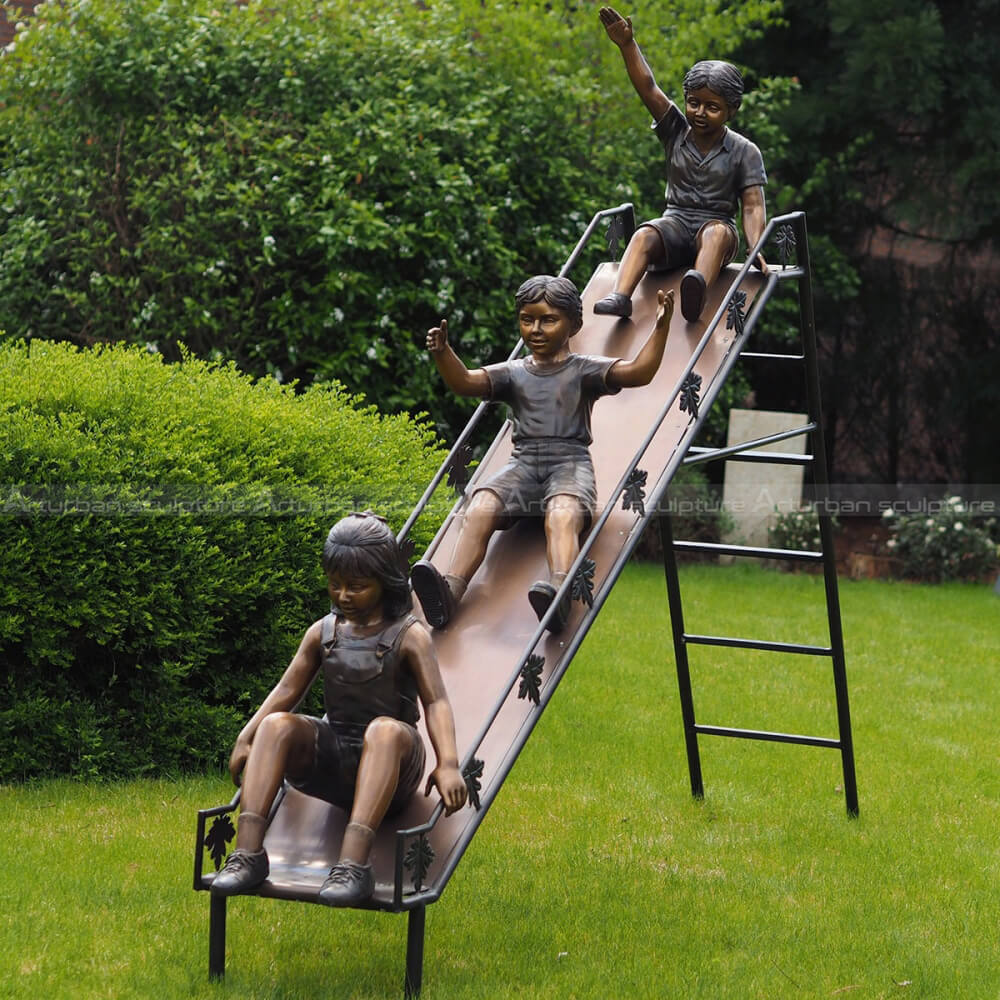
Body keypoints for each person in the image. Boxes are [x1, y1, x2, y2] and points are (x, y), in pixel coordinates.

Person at [211, 512, 467, 907]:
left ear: (384, 582)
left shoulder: (409, 636)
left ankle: (353, 865)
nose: (344, 595)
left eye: (357, 587)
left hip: (393, 764)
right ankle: (247, 855)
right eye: (335, 585)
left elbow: (437, 702)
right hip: (337, 759)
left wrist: (448, 762)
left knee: (384, 730)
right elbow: (286, 690)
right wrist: (249, 735)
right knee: (277, 725)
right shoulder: (323, 632)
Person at [411, 274, 673, 633]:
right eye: (527, 319)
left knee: (562, 514)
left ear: (573, 325)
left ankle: (559, 591)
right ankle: (451, 591)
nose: (535, 328)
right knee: (482, 504)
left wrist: (660, 328)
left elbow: (639, 372)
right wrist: (444, 354)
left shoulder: (584, 370)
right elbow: (466, 383)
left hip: (569, 463)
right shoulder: (513, 373)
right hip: (523, 464)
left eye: (548, 320)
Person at [593, 6, 768, 324]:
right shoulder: (674, 130)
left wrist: (756, 248)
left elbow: (753, 205)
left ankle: (696, 290)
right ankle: (621, 296)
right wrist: (628, 45)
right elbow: (648, 87)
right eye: (694, 102)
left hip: (716, 226)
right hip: (675, 222)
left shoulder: (745, 151)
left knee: (714, 235)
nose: (700, 112)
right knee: (645, 233)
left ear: (732, 110)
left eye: (712, 107)